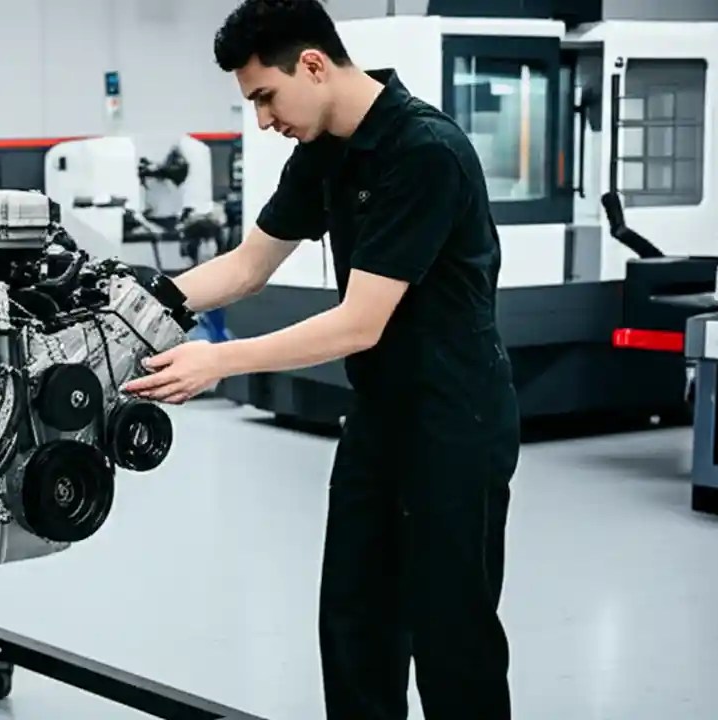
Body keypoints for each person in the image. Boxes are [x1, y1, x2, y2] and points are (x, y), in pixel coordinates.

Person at [121, 1, 521, 718]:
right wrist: (130, 308)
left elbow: (359, 324)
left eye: (265, 97)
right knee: (355, 625)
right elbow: (248, 266)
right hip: (379, 416)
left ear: (312, 64)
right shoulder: (326, 150)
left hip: (455, 419)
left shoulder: (424, 151)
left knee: (451, 637)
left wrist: (218, 359)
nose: (263, 120)